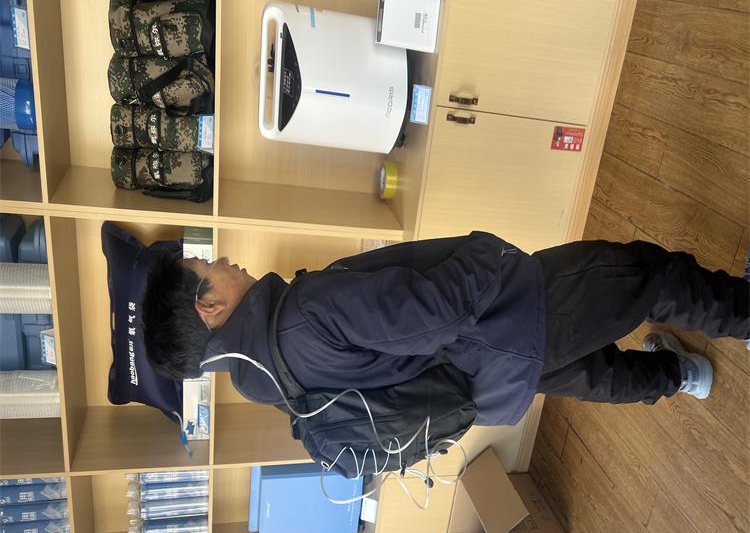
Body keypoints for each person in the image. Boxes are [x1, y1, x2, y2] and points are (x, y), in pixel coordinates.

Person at [142, 233, 749, 427]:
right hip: (509, 319)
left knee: (595, 372)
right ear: (209, 306)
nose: (224, 261)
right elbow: (432, 311)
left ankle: (681, 375)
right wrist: (489, 255)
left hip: (486, 382)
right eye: (208, 265)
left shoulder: (261, 381)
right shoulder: (301, 313)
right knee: (645, 276)